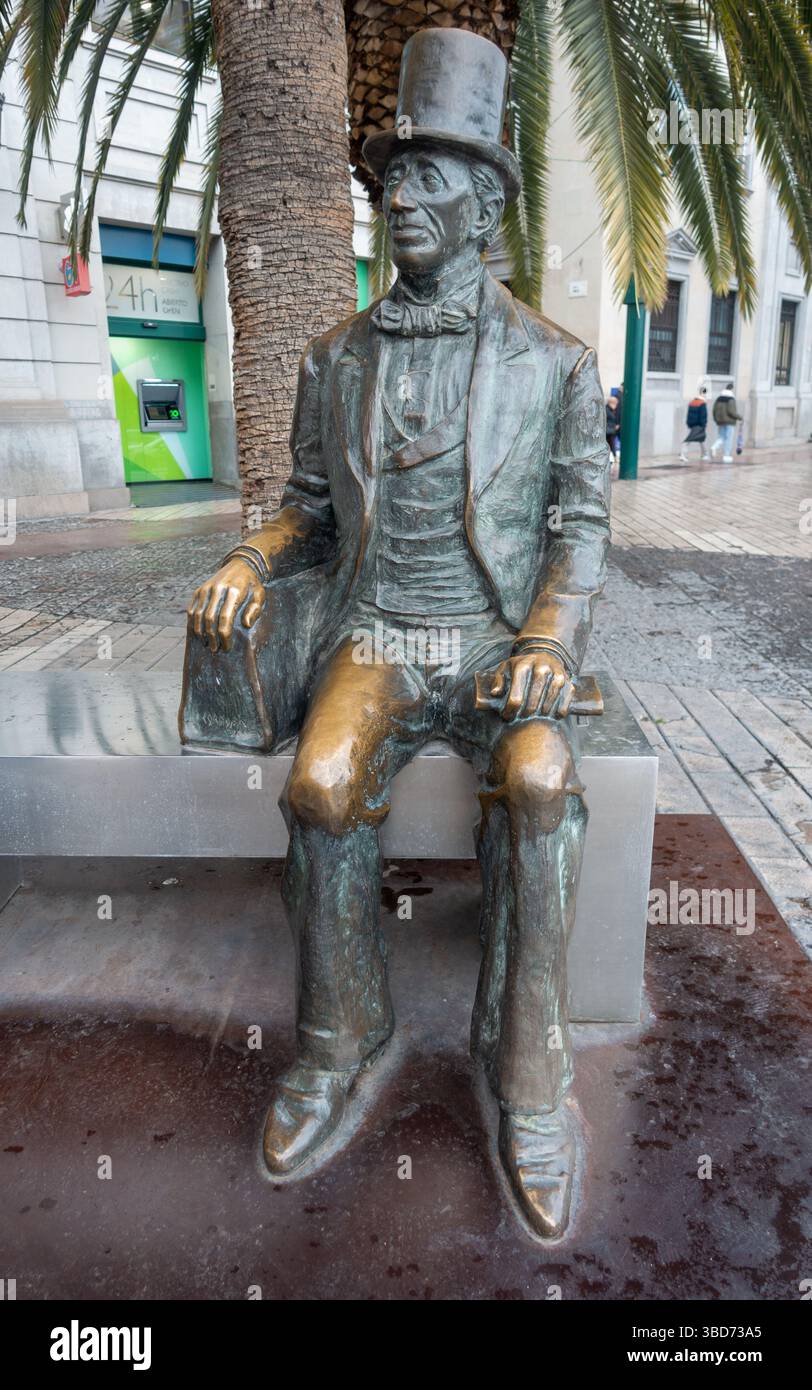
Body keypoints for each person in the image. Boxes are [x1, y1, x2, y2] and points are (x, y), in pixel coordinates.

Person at [183, 29, 611, 1241]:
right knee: (319, 785)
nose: (403, 200)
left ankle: (527, 1075)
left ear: (483, 206)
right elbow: (308, 513)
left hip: (495, 643)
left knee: (536, 779)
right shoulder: (333, 357)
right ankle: (339, 1035)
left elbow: (581, 526)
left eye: (430, 180)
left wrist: (545, 640)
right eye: (393, 182)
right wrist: (246, 557)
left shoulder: (556, 363)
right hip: (375, 634)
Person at [711, 382, 743, 461]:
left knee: (721, 437)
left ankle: (714, 447)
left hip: (720, 421)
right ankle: (726, 455)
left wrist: (716, 419)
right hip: (729, 422)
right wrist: (739, 417)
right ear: (732, 389)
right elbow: (731, 411)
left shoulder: (719, 398)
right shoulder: (731, 399)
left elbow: (714, 410)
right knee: (728, 439)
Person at [680, 385, 710, 462]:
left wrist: (689, 423)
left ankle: (704, 454)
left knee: (701, 439)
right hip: (699, 425)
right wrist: (704, 425)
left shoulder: (692, 402)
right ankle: (683, 454)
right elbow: (703, 416)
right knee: (689, 440)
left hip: (691, 424)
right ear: (704, 393)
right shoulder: (702, 403)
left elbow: (689, 414)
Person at [606, 389, 621, 463]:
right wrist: (613, 426)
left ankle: (614, 458)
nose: (616, 406)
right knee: (611, 445)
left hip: (611, 431)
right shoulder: (606, 410)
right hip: (608, 431)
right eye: (615, 404)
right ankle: (614, 458)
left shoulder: (611, 410)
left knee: (611, 445)